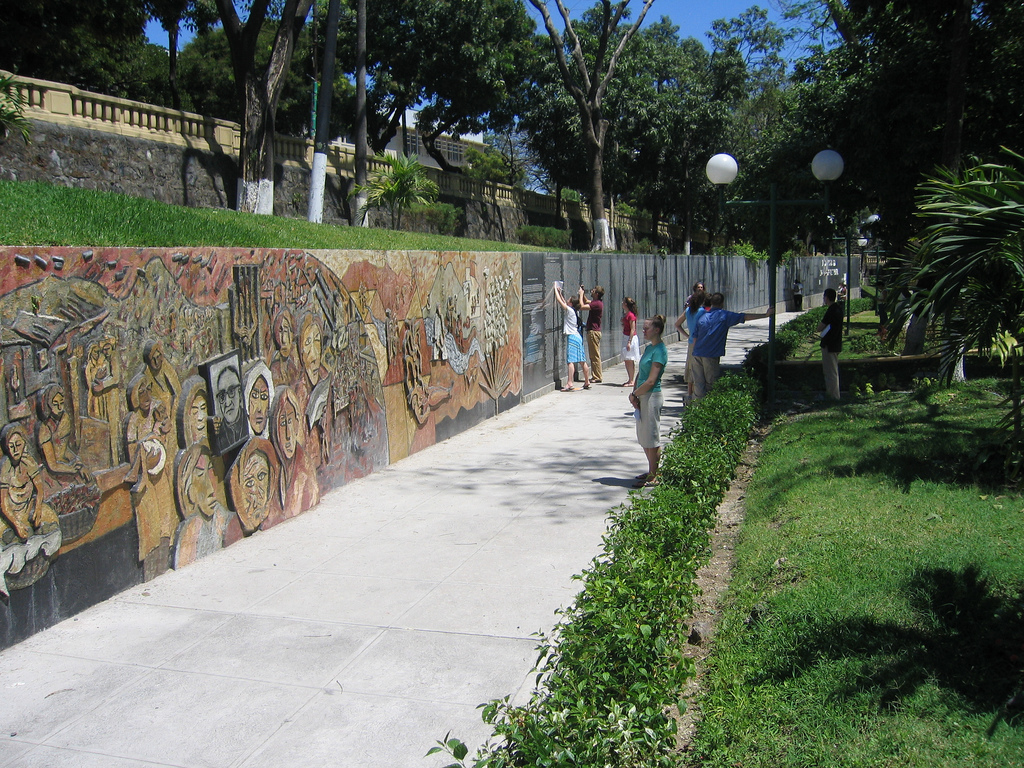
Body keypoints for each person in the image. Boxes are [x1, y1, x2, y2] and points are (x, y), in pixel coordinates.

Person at [690, 292, 774, 399]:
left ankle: (697, 408)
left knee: (698, 383)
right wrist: (765, 315)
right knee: (711, 383)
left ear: (711, 303)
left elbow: (694, 338)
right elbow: (745, 317)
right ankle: (710, 406)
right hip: (710, 355)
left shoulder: (702, 318)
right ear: (722, 303)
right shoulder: (724, 316)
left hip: (697, 353)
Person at [628, 316, 668, 487]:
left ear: (657, 330)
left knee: (652, 438)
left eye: (646, 328)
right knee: (644, 437)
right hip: (641, 395)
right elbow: (640, 373)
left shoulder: (660, 350)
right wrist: (634, 393)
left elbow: (651, 380)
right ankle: (652, 469)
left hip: (651, 396)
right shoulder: (649, 348)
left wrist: (635, 394)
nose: (643, 331)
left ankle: (654, 475)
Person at [554, 283, 591, 391]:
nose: (567, 300)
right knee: (582, 360)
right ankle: (587, 381)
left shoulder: (570, 310)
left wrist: (555, 289)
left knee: (570, 361)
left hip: (572, 337)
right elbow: (564, 301)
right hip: (578, 337)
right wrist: (560, 292)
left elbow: (560, 302)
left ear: (571, 303)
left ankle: (570, 383)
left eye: (569, 300)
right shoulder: (575, 311)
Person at [674, 288, 706, 399]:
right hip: (701, 343)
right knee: (700, 369)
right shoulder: (703, 312)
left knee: (690, 368)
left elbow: (677, 324)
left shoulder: (688, 311)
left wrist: (687, 335)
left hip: (691, 342)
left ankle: (689, 394)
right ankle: (698, 395)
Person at [818, 288, 844, 400]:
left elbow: (820, 327)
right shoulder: (838, 309)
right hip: (836, 343)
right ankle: (832, 394)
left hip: (830, 345)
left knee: (830, 372)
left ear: (826, 297)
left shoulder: (831, 310)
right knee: (832, 371)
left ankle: (834, 396)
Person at [579, 285, 604, 383]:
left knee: (594, 355)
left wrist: (580, 295)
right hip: (594, 331)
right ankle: (596, 375)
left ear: (597, 294)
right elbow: (586, 301)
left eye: (593, 290)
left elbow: (582, 306)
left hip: (593, 332)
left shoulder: (597, 304)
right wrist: (583, 293)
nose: (592, 291)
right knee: (593, 355)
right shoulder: (596, 303)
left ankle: (597, 376)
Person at [621, 297, 640, 386]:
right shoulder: (627, 314)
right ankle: (630, 379)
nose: (622, 303)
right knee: (627, 359)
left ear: (626, 304)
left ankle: (631, 380)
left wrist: (629, 341)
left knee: (630, 359)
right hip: (626, 336)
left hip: (630, 338)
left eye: (623, 302)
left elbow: (633, 329)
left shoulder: (631, 315)